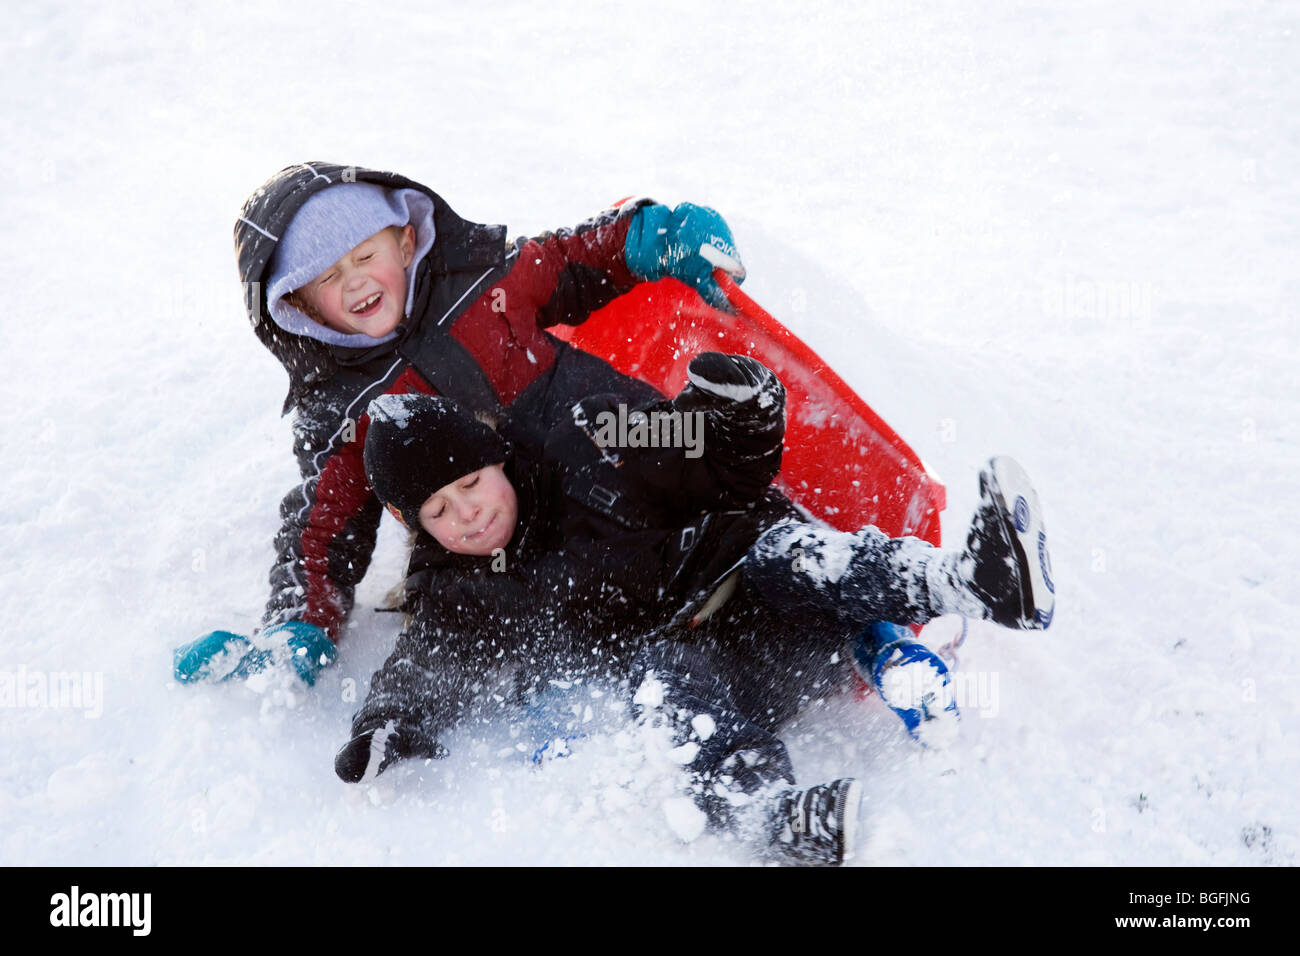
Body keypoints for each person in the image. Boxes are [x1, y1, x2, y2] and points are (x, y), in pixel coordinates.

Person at [338, 352, 1055, 865]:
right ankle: (777, 818)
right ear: (415, 524)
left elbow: (702, 455)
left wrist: (742, 414)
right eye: (436, 510)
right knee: (664, 686)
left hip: (760, 583)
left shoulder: (588, 434)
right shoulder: (460, 588)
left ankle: (975, 581)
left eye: (469, 482)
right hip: (715, 664)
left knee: (796, 556)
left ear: (496, 454)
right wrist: (387, 724)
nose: (465, 514)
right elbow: (429, 660)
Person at [173, 161, 748, 687]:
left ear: (403, 242)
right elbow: (324, 523)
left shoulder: (483, 284)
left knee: (727, 502)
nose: (353, 281)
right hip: (529, 547)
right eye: (325, 277)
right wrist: (300, 619)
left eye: (364, 256)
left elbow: (572, 259)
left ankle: (800, 569)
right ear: (296, 304)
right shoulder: (345, 409)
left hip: (628, 457)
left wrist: (651, 239)